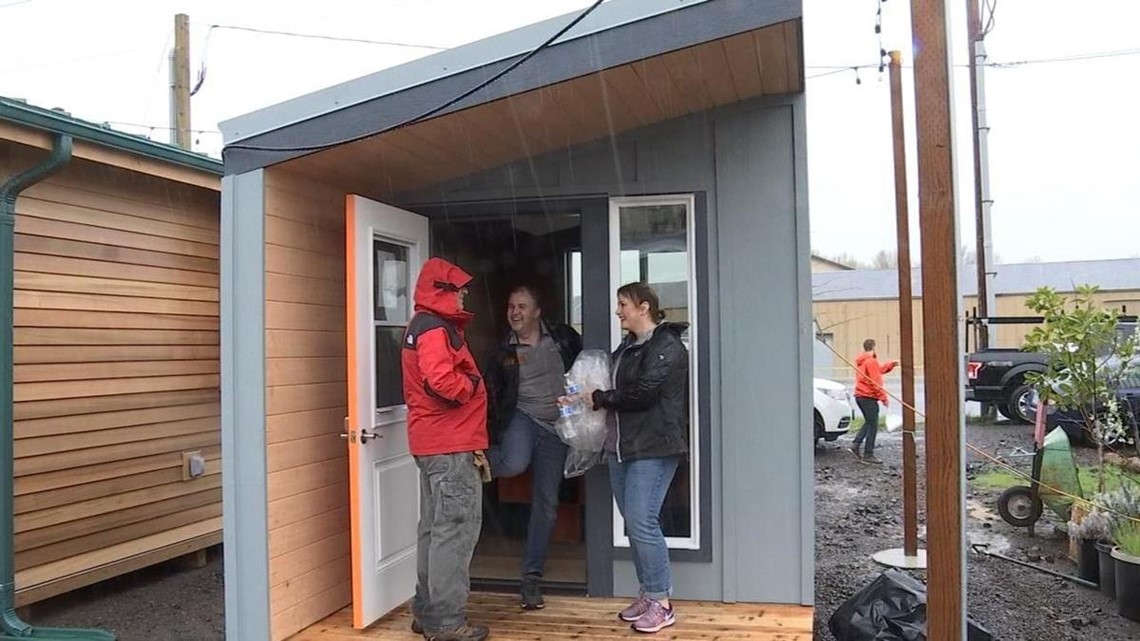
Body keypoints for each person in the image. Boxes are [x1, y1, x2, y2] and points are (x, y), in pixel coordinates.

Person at [588, 282, 689, 634]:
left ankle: (662, 602)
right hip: (622, 447)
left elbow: (644, 393)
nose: (618, 311)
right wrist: (582, 395)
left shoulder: (666, 346)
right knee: (635, 523)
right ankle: (648, 593)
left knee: (642, 521)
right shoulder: (628, 346)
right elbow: (614, 385)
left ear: (644, 307)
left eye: (623, 304)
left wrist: (600, 398)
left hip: (655, 446)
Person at [401, 257, 490, 641]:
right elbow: (441, 380)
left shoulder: (421, 325)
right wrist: (470, 386)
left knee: (433, 532)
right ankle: (446, 623)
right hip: (451, 446)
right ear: (443, 291)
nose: (464, 296)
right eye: (460, 291)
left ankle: (427, 613)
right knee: (454, 534)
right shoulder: (435, 328)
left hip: (433, 443)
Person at [483, 285, 582, 610]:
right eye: (511, 306)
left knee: (547, 503)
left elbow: (584, 369)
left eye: (522, 306)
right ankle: (477, 461)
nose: (515, 312)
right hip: (522, 417)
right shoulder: (503, 350)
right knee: (514, 462)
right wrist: (482, 436)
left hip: (556, 427)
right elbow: (491, 394)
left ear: (537, 312)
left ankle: (532, 576)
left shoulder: (563, 338)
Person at [850, 338, 899, 465]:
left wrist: (891, 365)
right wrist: (884, 398)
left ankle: (856, 444)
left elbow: (878, 371)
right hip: (868, 397)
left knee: (869, 421)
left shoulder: (863, 361)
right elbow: (875, 381)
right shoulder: (871, 361)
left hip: (860, 396)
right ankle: (868, 454)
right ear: (873, 347)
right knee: (873, 425)